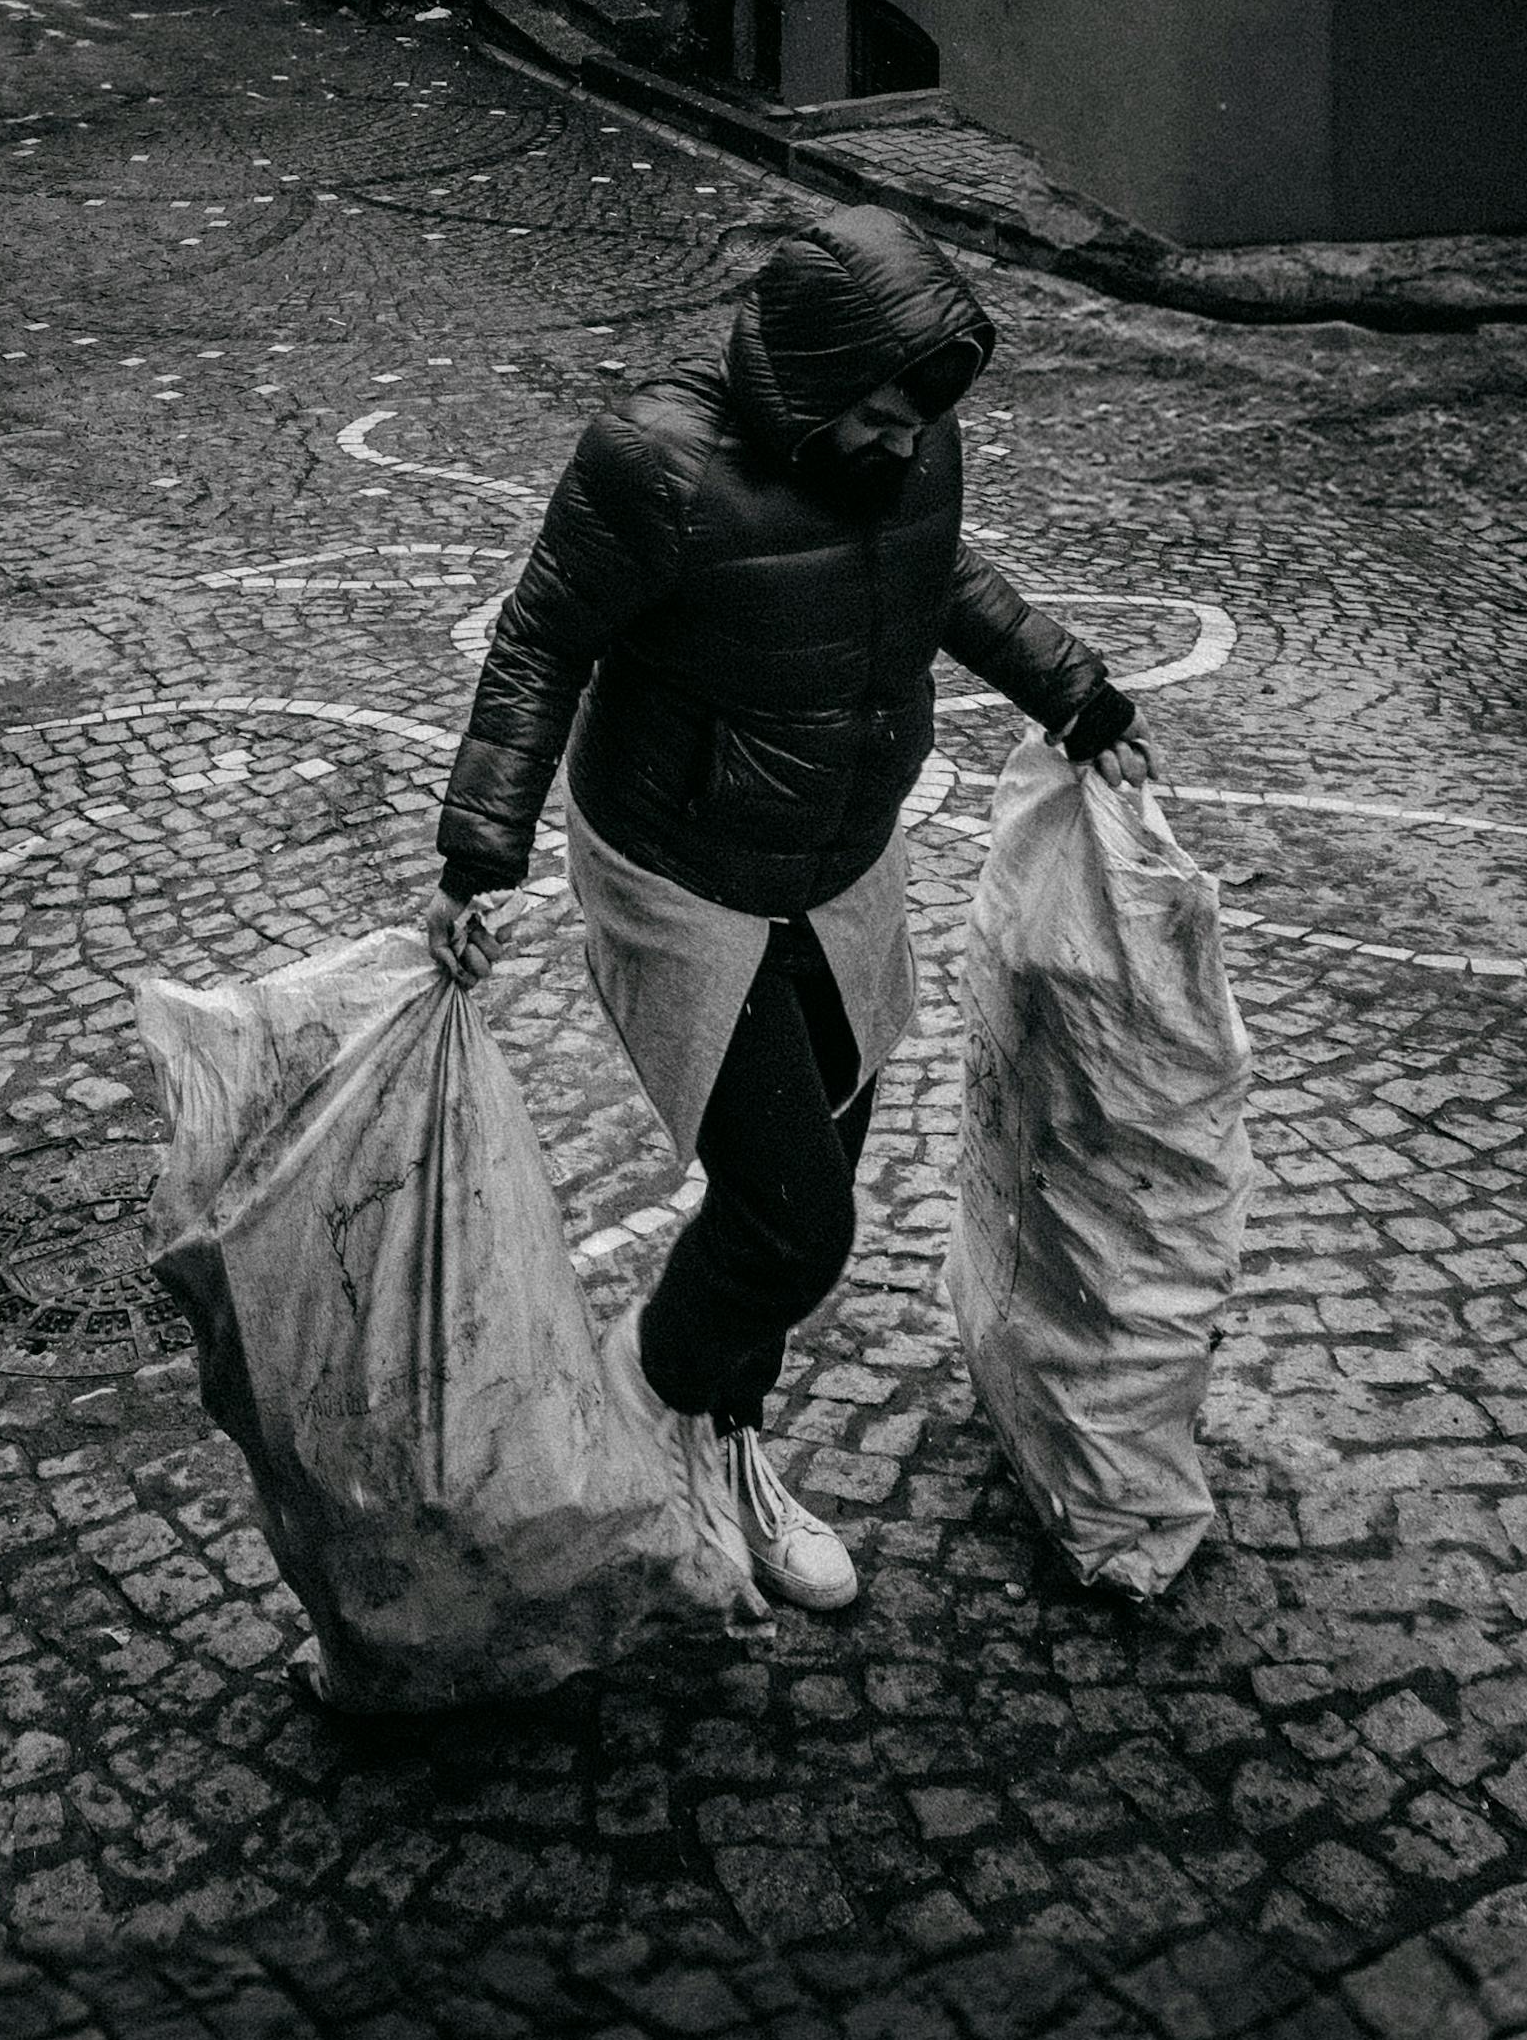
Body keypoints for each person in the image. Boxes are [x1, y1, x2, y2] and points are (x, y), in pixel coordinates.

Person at [431, 205, 1140, 1622]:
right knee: (794, 1224)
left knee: (808, 1170)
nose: (904, 442)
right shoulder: (657, 463)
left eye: (919, 416)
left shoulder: (915, 439)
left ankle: (729, 1445)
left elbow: (942, 576)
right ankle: (635, 1422)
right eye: (878, 412)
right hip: (683, 868)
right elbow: (543, 639)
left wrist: (1077, 688)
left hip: (841, 863)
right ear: (812, 380)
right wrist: (477, 855)